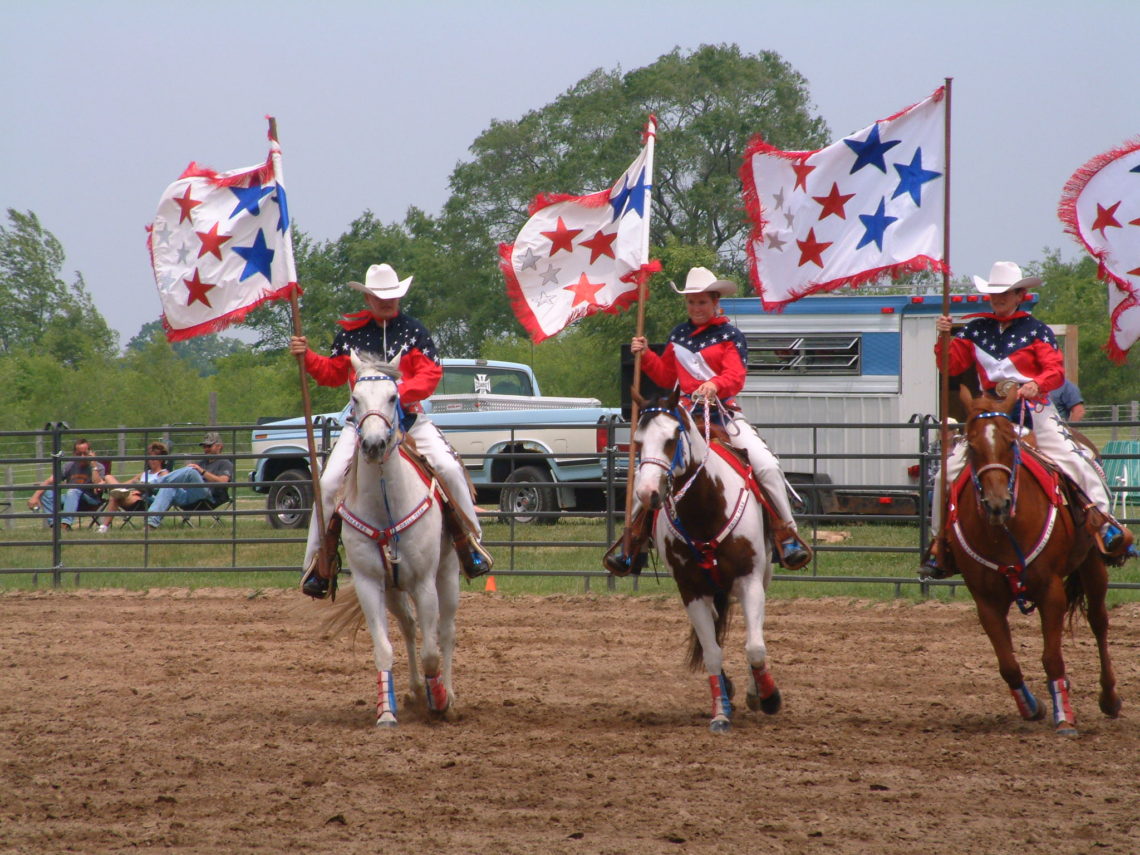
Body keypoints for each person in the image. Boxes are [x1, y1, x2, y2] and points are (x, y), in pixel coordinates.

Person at [289, 262, 493, 599]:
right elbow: (331, 373)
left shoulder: (414, 332)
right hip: (361, 427)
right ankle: (317, 564)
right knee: (327, 484)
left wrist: (399, 396)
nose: (388, 302)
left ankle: (470, 544)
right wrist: (306, 356)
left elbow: (430, 375)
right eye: (380, 297)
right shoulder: (350, 336)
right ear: (368, 298)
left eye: (393, 296)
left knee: (448, 468)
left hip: (411, 420)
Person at [920, 261, 1131, 579]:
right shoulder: (976, 329)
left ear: (1021, 294)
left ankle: (1105, 527)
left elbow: (1055, 369)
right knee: (944, 474)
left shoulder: (1036, 330)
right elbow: (950, 365)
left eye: (1005, 293)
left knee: (1077, 460)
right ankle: (942, 543)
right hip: (991, 411)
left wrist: (1037, 383)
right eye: (994, 293)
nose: (998, 299)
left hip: (1033, 409)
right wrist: (944, 338)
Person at [604, 266, 812, 574]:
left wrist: (715, 384)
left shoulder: (730, 335)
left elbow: (736, 376)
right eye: (691, 302)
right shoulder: (679, 335)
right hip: (687, 417)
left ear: (716, 302)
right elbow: (664, 375)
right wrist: (646, 354)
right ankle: (632, 541)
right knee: (648, 470)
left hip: (723, 414)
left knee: (766, 465)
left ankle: (786, 535)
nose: (696, 308)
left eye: (702, 302)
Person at [145, 432, 234, 528]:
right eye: (204, 446)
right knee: (168, 487)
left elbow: (223, 482)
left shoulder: (225, 463)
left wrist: (201, 471)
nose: (206, 449)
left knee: (191, 470)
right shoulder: (201, 462)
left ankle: (152, 485)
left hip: (210, 496)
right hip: (190, 495)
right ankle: (150, 525)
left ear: (219, 446)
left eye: (209, 446)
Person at [27, 438, 110, 530]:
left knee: (73, 490)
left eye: (85, 454)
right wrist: (35, 496)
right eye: (79, 454)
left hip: (90, 500)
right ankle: (55, 525)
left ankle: (65, 524)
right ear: (74, 454)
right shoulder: (69, 466)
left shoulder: (98, 466)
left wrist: (94, 466)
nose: (82, 457)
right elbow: (50, 481)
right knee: (46, 493)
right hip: (70, 499)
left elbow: (98, 488)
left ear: (91, 453)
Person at [97, 441, 170, 532]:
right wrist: (105, 483)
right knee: (109, 478)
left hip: (144, 501)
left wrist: (142, 490)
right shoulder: (144, 474)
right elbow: (125, 485)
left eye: (154, 458)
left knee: (115, 495)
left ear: (161, 460)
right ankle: (104, 526)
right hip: (130, 496)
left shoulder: (163, 473)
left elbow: (161, 492)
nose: (151, 461)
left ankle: (103, 527)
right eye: (149, 458)